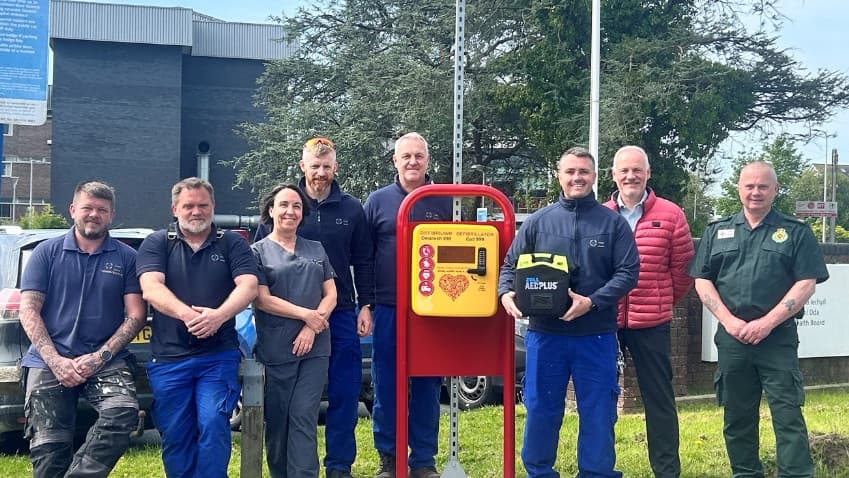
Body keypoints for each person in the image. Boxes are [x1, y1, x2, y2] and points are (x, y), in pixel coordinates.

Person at [498, 147, 639, 478]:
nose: (577, 178)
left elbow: (628, 273)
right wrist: (505, 294)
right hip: (546, 336)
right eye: (571, 172)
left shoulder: (613, 224)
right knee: (541, 409)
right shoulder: (537, 222)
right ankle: (539, 472)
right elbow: (509, 266)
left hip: (597, 335)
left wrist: (591, 301)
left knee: (599, 411)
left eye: (584, 172)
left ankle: (597, 473)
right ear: (559, 176)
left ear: (594, 177)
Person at [689, 161, 828, 478]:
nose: (755, 192)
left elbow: (806, 282)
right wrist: (729, 322)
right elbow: (702, 280)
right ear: (738, 188)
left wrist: (767, 323)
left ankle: (795, 474)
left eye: (763, 186)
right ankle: (746, 473)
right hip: (732, 339)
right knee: (737, 417)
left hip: (776, 340)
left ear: (775, 190)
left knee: (787, 413)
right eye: (749, 185)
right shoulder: (716, 231)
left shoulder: (796, 232)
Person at [256, 137, 374, 478]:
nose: (320, 173)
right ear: (302, 166)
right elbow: (260, 267)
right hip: (285, 317)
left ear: (335, 168)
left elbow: (363, 260)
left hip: (338, 312)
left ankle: (338, 466)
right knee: (289, 403)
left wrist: (365, 305)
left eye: (327, 166)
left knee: (344, 390)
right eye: (315, 166)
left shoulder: (352, 209)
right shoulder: (286, 204)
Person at [19, 180, 147, 477]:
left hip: (106, 360)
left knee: (122, 414)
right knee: (49, 447)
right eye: (87, 208)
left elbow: (136, 315)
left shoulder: (127, 258)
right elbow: (29, 309)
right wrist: (55, 360)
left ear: (111, 215)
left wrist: (98, 357)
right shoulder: (46, 252)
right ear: (73, 210)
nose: (94, 215)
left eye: (101, 210)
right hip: (48, 360)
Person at [136, 177, 258, 478]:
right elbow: (151, 287)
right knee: (176, 433)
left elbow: (249, 285)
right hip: (168, 359)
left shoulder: (231, 242)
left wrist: (218, 315)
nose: (196, 211)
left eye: (203, 205)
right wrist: (186, 315)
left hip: (217, 356)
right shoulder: (157, 242)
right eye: (188, 206)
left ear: (213, 207)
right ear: (175, 208)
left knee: (214, 424)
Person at [363, 132, 451, 478]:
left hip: (432, 310)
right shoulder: (377, 201)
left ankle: (423, 461)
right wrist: (366, 304)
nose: (412, 162)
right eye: (406, 156)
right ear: (395, 161)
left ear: (428, 161)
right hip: (388, 307)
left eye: (419, 156)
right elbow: (365, 257)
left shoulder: (445, 200)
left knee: (429, 384)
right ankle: (389, 458)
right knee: (387, 384)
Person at [602, 145, 694, 478]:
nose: (630, 176)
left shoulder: (671, 215)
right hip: (606, 322)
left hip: (652, 323)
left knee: (660, 400)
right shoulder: (601, 214)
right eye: (624, 170)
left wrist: (659, 298)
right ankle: (600, 467)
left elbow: (683, 271)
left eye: (637, 170)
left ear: (648, 173)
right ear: (613, 175)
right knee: (601, 398)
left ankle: (667, 471)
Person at [252, 183, 338, 477]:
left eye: (297, 206)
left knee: (303, 414)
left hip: (315, 349)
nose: (291, 211)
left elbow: (331, 294)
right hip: (277, 348)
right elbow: (262, 299)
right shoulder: (257, 252)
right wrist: (306, 316)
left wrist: (311, 328)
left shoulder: (316, 249)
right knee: (278, 420)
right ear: (271, 210)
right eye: (284, 205)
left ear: (303, 213)